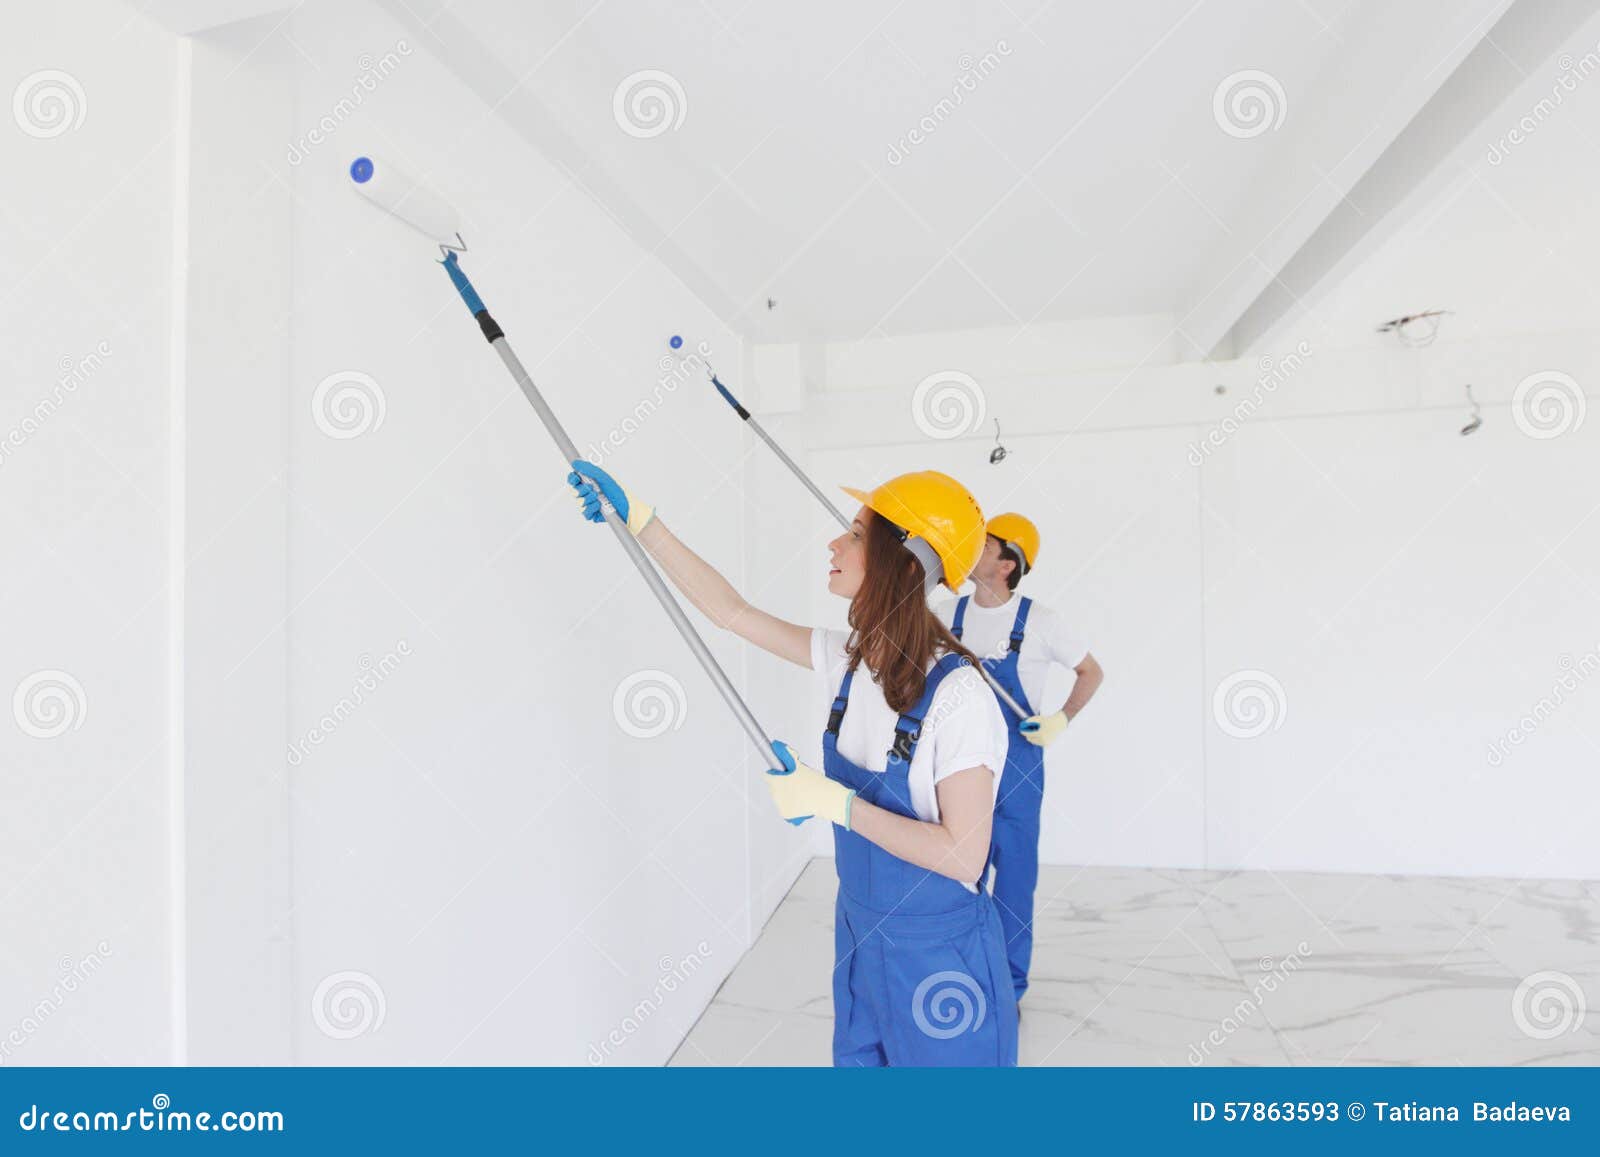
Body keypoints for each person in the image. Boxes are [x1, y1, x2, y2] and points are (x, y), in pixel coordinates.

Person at [568, 462, 1018, 1066]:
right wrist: (640, 522)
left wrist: (832, 802)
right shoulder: (854, 661)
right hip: (860, 935)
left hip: (940, 956)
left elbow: (964, 853)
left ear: (905, 561)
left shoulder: (961, 699)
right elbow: (730, 612)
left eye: (856, 534)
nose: (835, 543)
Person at [934, 512, 1103, 1008]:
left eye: (983, 545)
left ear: (1008, 563)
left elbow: (1091, 672)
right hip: (960, 757)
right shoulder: (946, 615)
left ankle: (1007, 987)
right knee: (958, 870)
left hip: (1019, 764)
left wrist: (1060, 720)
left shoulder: (1042, 621)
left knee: (1013, 877)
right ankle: (957, 973)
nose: (972, 548)